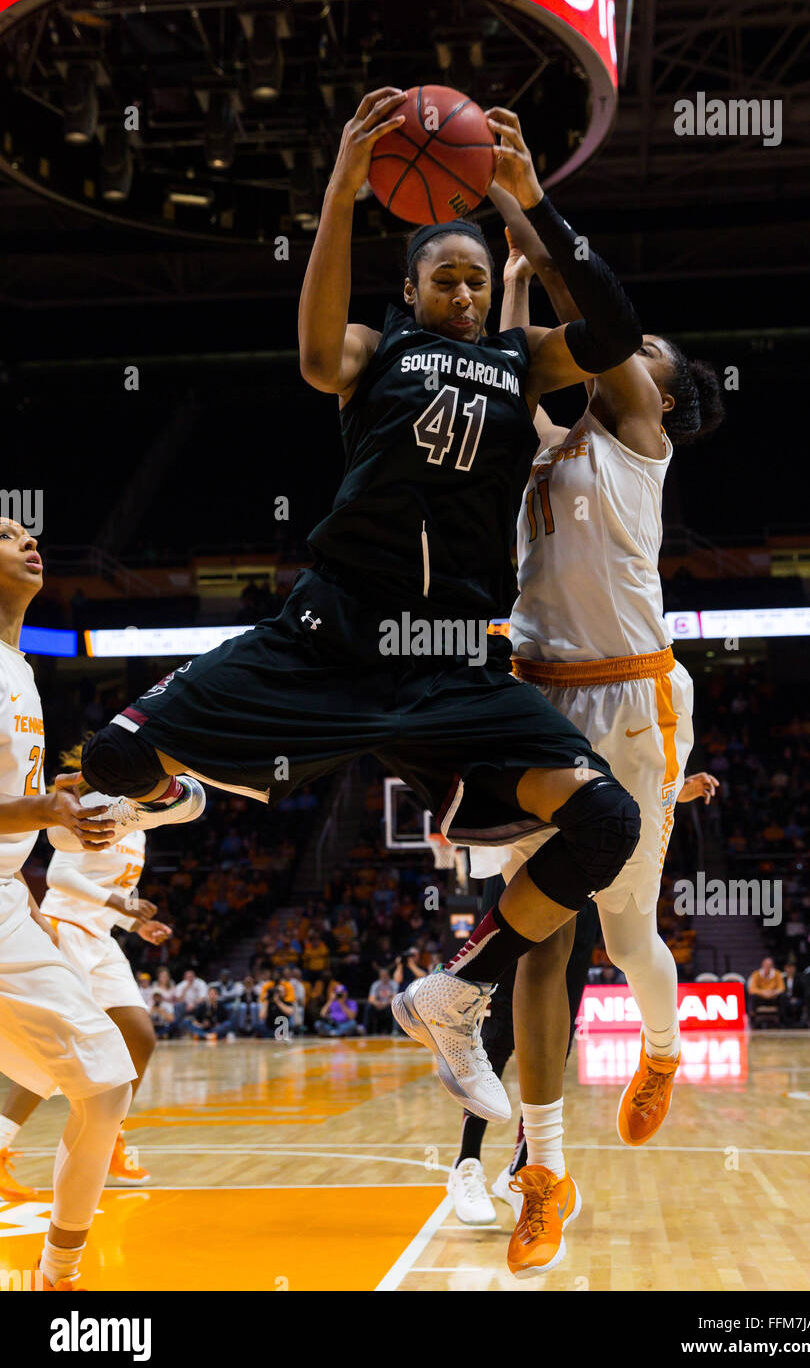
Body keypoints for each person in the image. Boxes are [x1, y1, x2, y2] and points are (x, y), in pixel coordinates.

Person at [78, 91, 645, 1133]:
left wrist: (527, 209)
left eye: (477, 279)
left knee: (607, 817)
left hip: (451, 667)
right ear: (411, 288)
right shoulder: (369, 352)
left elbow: (613, 331)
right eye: (446, 279)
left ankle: (453, 989)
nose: (467, 294)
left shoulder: (523, 361)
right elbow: (306, 355)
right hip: (328, 637)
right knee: (111, 757)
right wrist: (339, 191)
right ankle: (185, 788)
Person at [445, 193, 722, 1273]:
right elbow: (530, 352)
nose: (622, 354)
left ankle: (660, 1050)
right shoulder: (535, 433)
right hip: (539, 704)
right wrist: (508, 271)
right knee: (541, 939)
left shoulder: (641, 437)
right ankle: (543, 1172)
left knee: (622, 934)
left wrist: (526, 209)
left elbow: (594, 326)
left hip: (632, 700)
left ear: (657, 388)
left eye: (643, 353)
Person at [0, 516, 135, 1288]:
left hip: (6, 901)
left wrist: (56, 813)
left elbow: (16, 804)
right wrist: (45, 814)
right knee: (105, 1079)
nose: (27, 540)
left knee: (99, 1081)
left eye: (29, 531)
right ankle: (59, 1273)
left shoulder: (20, 668)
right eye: (4, 533)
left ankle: (60, 1271)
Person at [0, 737, 172, 1190]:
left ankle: (109, 1135)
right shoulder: (95, 803)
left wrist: (134, 925)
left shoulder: (140, 822)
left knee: (140, 1036)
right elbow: (59, 875)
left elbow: (109, 888)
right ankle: (1, 1143)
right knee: (58, 1050)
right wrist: (121, 903)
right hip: (65, 927)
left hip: (100, 936)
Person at [447, 876, 597, 1239]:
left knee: (555, 1039)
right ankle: (466, 1164)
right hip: (516, 872)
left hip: (586, 881)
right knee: (497, 1033)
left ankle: (520, 1170)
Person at [364, 965, 398, 1035]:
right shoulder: (376, 984)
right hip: (378, 1006)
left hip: (389, 1006)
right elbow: (371, 999)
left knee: (396, 1007)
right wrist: (377, 1003)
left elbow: (395, 997)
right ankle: (366, 1029)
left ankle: (395, 1030)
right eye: (381, 975)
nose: (383, 977)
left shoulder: (394, 984)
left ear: (389, 975)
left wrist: (385, 1004)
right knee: (369, 1006)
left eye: (385, 975)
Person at [780, 961, 805, 1027]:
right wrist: (789, 998)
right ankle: (785, 1022)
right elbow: (781, 991)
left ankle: (798, 1022)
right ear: (785, 969)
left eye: (792, 968)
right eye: (788, 968)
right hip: (786, 999)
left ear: (795, 969)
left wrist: (796, 998)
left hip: (798, 998)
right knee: (783, 1002)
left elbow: (802, 991)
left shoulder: (800, 978)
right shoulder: (782, 979)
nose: (790, 970)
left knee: (798, 1003)